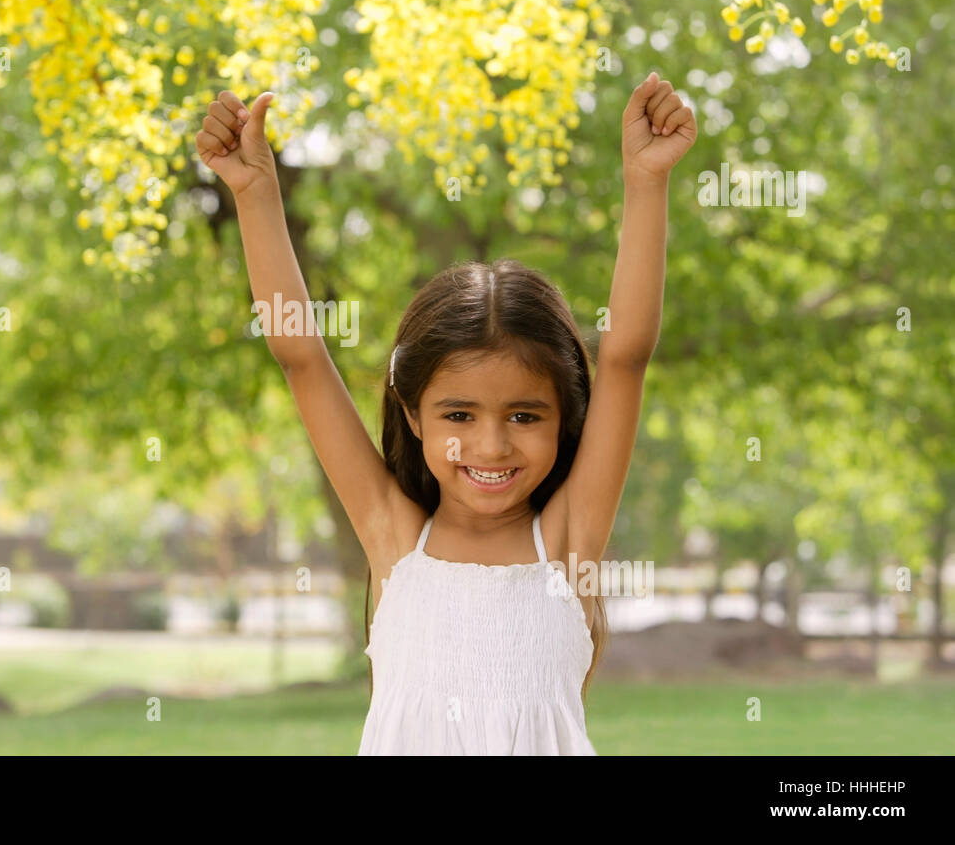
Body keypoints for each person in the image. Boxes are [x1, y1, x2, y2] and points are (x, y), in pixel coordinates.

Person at [195, 72, 695, 754]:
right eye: (458, 415)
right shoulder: (395, 543)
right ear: (412, 414)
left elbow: (626, 357)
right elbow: (302, 357)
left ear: (564, 419)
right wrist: (254, 194)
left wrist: (646, 182)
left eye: (524, 416)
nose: (490, 447)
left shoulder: (569, 547)